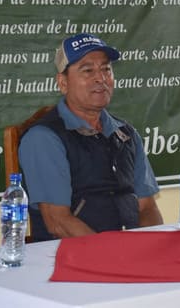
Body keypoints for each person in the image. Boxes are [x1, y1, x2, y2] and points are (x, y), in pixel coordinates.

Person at [19, 33, 163, 241]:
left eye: (106, 69)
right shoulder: (44, 138)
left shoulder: (126, 134)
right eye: (87, 70)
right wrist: (110, 257)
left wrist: (149, 246)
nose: (100, 78)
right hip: (70, 258)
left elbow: (147, 208)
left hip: (128, 254)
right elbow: (58, 222)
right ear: (63, 83)